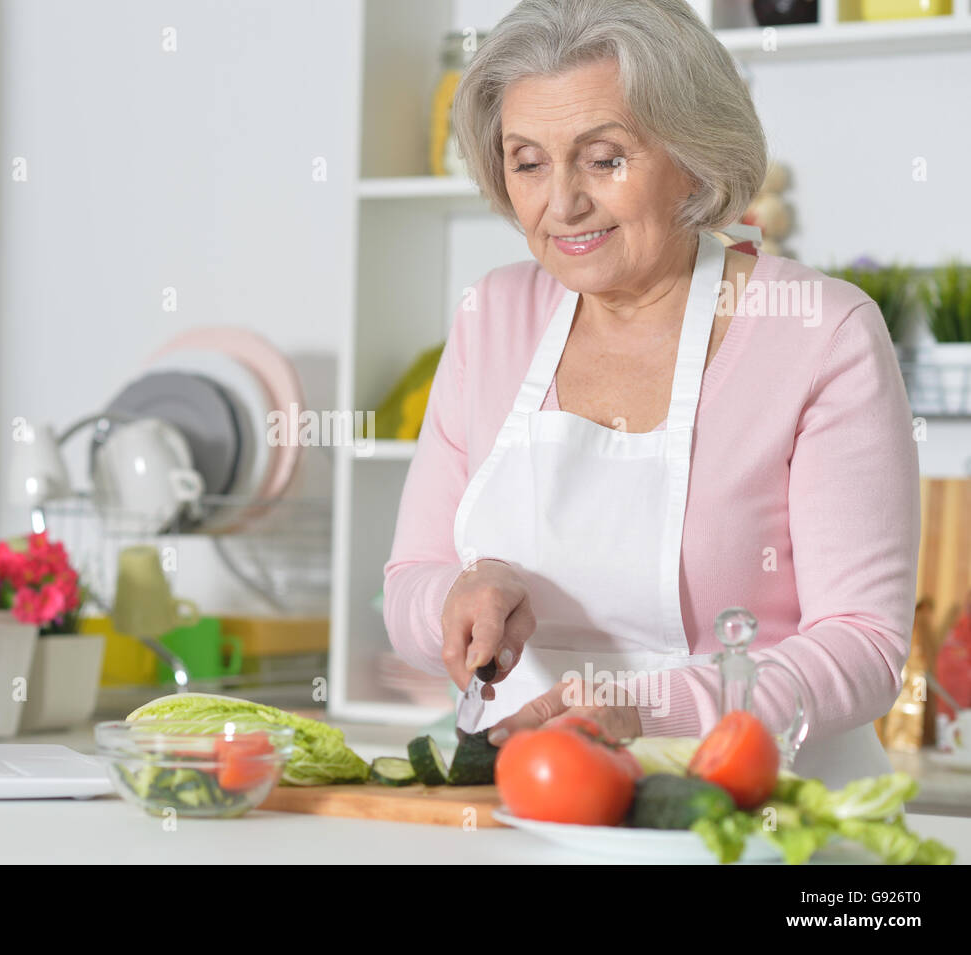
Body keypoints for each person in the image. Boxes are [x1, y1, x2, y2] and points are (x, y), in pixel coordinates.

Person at [382, 0, 919, 787]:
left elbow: (864, 644)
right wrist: (461, 593)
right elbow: (407, 583)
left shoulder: (819, 331)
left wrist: (640, 708)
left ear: (695, 156)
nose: (560, 204)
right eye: (528, 161)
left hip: (767, 813)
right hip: (537, 801)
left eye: (604, 159)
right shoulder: (492, 315)